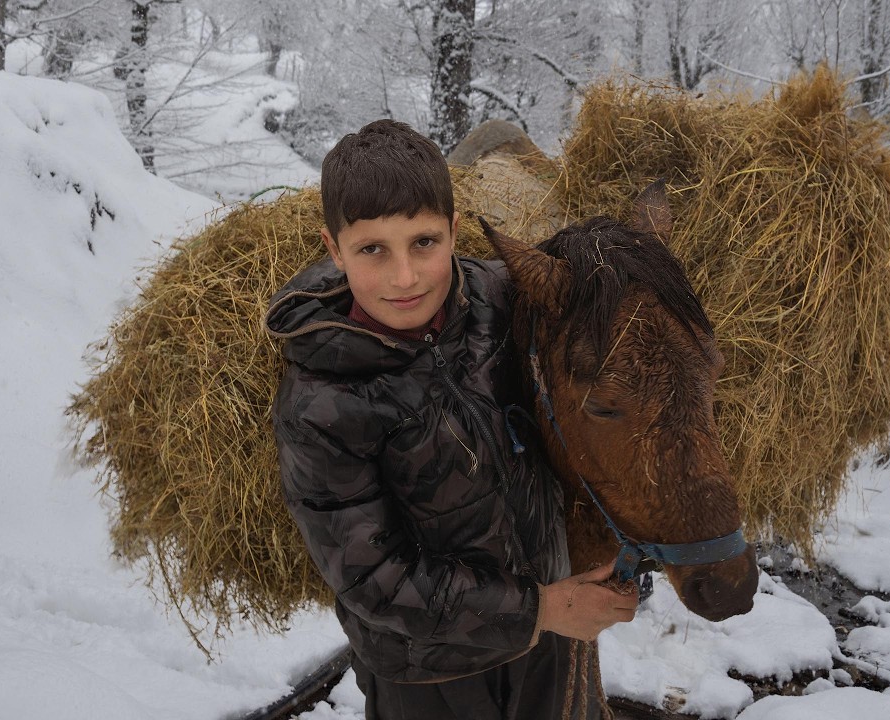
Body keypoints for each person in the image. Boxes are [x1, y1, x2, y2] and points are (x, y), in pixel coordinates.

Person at [264, 119, 638, 719]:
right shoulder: (322, 403)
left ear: (455, 231)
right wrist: (542, 608)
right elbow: (373, 579)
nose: (405, 277)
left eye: (424, 243)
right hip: (426, 674)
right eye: (372, 250)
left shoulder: (505, 301)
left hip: (549, 643)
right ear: (334, 251)